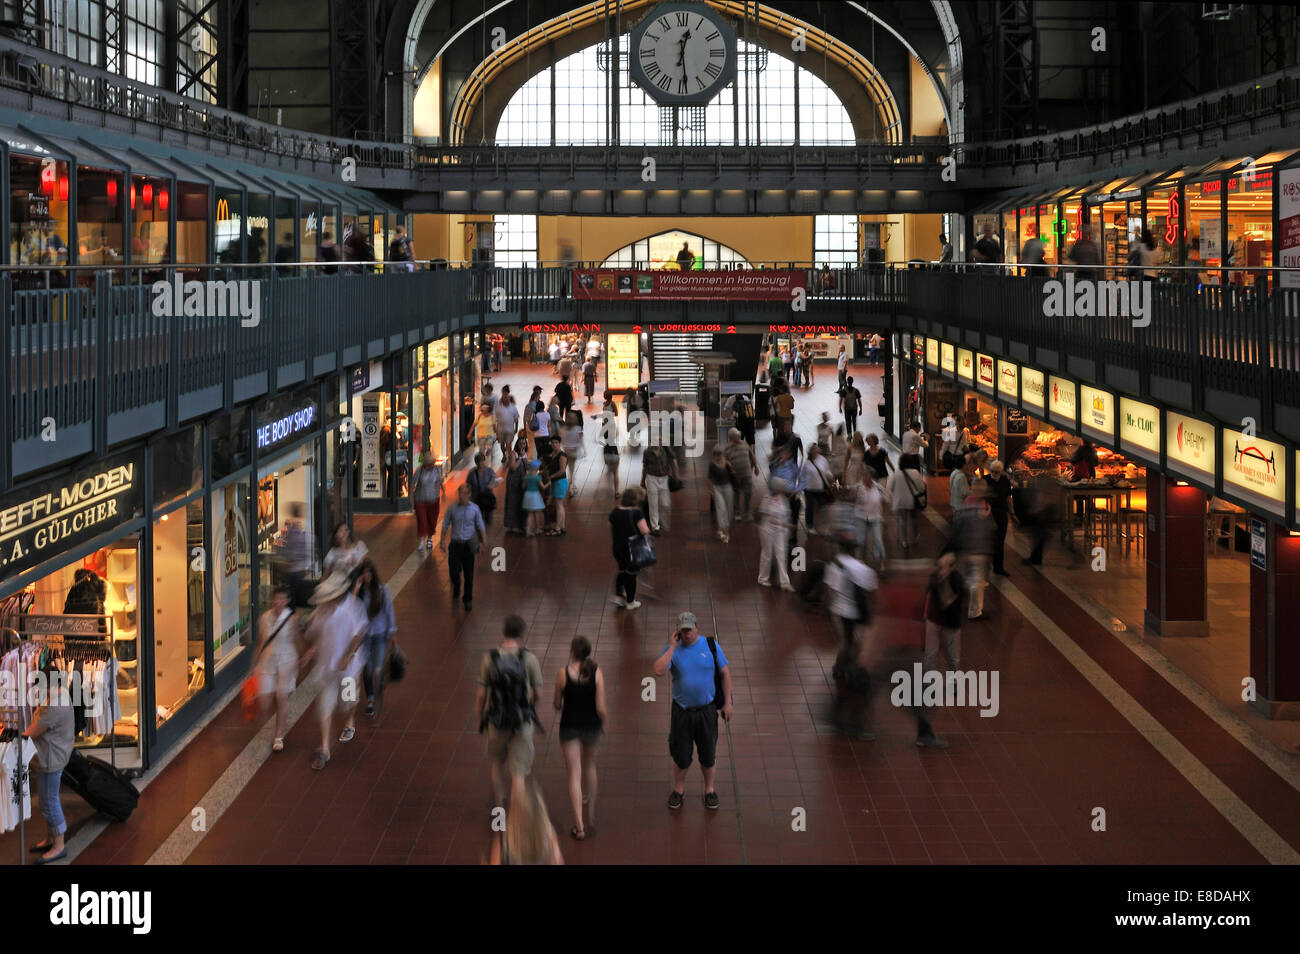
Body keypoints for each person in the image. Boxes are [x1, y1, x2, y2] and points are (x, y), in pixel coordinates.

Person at [651, 611, 733, 811]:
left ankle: (709, 790)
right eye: (683, 630)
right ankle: (678, 790)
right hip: (682, 713)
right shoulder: (674, 649)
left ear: (697, 627)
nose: (687, 634)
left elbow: (725, 674)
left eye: (690, 629)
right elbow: (658, 670)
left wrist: (728, 702)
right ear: (678, 632)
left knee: (708, 753)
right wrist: (671, 646)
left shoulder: (711, 646)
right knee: (681, 754)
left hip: (706, 712)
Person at [300, 571, 369, 771]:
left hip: (349, 669)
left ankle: (349, 718)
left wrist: (348, 655)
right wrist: (311, 651)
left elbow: (359, 633)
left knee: (348, 703)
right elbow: (319, 634)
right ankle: (324, 748)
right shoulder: (322, 612)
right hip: (328, 668)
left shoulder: (352, 608)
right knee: (325, 706)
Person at [477, 614, 544, 807]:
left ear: (503, 631)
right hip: (521, 721)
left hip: (496, 719)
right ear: (522, 633)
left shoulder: (489, 658)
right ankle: (517, 816)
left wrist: (480, 715)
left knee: (497, 764)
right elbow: (538, 693)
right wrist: (530, 709)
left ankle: (499, 810)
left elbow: (481, 694)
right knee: (519, 773)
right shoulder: (529, 659)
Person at [824, 538, 878, 739]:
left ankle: (842, 671)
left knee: (846, 647)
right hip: (855, 617)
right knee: (854, 653)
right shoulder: (863, 569)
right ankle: (853, 719)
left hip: (838, 613)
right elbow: (871, 596)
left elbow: (830, 591)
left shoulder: (834, 563)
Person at [22, 660, 75, 863]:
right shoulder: (61, 694)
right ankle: (51, 838)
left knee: (49, 802)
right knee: (47, 800)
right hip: (56, 755)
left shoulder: (53, 706)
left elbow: (31, 732)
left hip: (51, 759)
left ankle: (59, 845)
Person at [554, 636, 606, 841]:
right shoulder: (597, 672)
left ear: (571, 652)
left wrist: (560, 701)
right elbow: (601, 707)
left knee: (574, 775)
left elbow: (557, 703)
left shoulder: (563, 674)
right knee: (590, 765)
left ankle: (579, 826)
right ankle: (590, 809)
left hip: (569, 728)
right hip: (592, 726)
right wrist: (604, 724)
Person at [919, 552, 964, 749]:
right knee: (930, 655)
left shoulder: (957, 581)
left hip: (951, 624)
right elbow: (928, 596)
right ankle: (930, 684)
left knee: (953, 657)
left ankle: (953, 683)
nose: (940, 568)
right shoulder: (935, 577)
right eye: (940, 564)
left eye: (944, 565)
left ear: (952, 567)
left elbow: (947, 601)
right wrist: (925, 614)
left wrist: (943, 581)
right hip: (934, 621)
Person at [256, 585, 303, 752]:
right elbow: (262, 641)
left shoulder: (291, 619)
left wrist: (301, 657)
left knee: (281, 696)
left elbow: (297, 639)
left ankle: (278, 736)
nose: (278, 602)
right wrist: (255, 662)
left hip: (287, 660)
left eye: (282, 598)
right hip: (268, 661)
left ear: (287, 600)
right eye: (276, 598)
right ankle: (272, 728)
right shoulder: (264, 618)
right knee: (265, 700)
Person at [354, 559, 397, 718]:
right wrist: (356, 588)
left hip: (379, 635)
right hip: (364, 637)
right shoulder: (359, 593)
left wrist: (392, 632)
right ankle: (370, 700)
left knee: (377, 669)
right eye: (363, 573)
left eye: (369, 572)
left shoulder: (382, 590)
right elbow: (350, 611)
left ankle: (378, 692)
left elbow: (389, 611)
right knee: (367, 669)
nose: (366, 576)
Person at [950, 485, 994, 620]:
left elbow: (957, 527)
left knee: (966, 578)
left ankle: (956, 601)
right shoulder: (984, 509)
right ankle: (975, 612)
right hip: (978, 550)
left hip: (965, 549)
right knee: (977, 582)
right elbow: (989, 530)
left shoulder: (965, 506)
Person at [440, 482, 486, 611]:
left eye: (465, 493)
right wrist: (442, 540)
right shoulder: (452, 508)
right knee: (454, 572)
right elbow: (445, 524)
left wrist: (483, 541)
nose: (462, 496)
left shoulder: (475, 509)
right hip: (455, 544)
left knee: (469, 574)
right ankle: (456, 585)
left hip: (468, 545)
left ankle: (468, 599)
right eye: (460, 493)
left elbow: (480, 525)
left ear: (469, 494)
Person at [609, 488, 651, 610]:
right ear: (635, 500)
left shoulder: (614, 512)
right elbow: (644, 531)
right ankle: (630, 602)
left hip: (617, 547)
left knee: (622, 570)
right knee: (631, 575)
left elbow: (611, 528)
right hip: (633, 549)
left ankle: (618, 595)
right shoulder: (636, 513)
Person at [757, 479, 795, 591]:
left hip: (780, 531)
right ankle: (763, 578)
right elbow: (769, 518)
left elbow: (787, 514)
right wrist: (786, 525)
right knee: (767, 554)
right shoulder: (767, 498)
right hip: (767, 530)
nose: (782, 490)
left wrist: (786, 528)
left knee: (781, 554)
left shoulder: (784, 500)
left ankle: (785, 583)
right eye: (780, 488)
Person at [277, 503, 316, 607]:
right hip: (298, 568)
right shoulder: (300, 528)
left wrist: (286, 563)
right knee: (293, 594)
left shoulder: (293, 530)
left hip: (294, 569)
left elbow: (293, 551)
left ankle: (292, 613)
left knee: (292, 596)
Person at [887, 456, 926, 553]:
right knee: (913, 519)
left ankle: (904, 541)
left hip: (900, 501)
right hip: (912, 500)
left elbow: (889, 487)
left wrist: (894, 495)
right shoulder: (915, 473)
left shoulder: (896, 473)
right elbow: (921, 488)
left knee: (902, 520)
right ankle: (915, 537)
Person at [984, 460, 1015, 577]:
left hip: (1001, 514)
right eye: (992, 471)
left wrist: (1012, 513)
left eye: (996, 472)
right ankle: (987, 566)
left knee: (1000, 541)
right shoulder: (985, 480)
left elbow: (1008, 498)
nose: (994, 474)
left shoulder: (1005, 481)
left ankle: (998, 567)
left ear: (1001, 472)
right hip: (988, 514)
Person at [641, 441, 677, 536]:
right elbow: (645, 467)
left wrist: (675, 475)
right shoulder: (647, 452)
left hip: (664, 478)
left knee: (665, 503)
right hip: (651, 478)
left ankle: (659, 518)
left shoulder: (665, 450)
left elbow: (673, 459)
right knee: (653, 503)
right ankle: (655, 527)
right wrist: (643, 480)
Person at [410, 452, 444, 552]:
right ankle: (421, 541)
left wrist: (444, 492)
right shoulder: (419, 471)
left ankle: (429, 538)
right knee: (422, 521)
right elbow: (412, 485)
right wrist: (411, 500)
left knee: (432, 521)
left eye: (431, 463)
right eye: (428, 464)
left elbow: (439, 482)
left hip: (433, 500)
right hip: (420, 500)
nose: (430, 465)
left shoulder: (437, 470)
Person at [855, 468, 889, 569]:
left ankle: (882, 563)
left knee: (878, 540)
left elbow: (886, 500)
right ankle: (862, 560)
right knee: (861, 540)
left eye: (866, 476)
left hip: (876, 517)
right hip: (861, 516)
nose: (864, 478)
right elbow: (851, 498)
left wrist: (885, 516)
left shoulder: (879, 488)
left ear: (871, 477)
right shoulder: (858, 487)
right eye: (863, 476)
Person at [724, 427, 759, 522]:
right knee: (736, 494)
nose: (738, 437)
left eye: (738, 435)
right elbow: (723, 460)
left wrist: (756, 466)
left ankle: (747, 512)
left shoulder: (744, 444)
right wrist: (728, 465)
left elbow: (752, 455)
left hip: (747, 473)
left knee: (748, 493)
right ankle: (737, 513)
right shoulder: (727, 448)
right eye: (736, 435)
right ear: (731, 437)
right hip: (735, 476)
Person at [801, 442, 836, 535]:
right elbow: (802, 475)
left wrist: (831, 478)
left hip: (820, 488)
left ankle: (825, 527)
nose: (817, 450)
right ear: (811, 451)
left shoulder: (822, 459)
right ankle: (809, 526)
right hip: (809, 489)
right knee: (809, 508)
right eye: (814, 449)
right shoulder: (807, 463)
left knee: (824, 507)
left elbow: (827, 471)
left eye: (817, 449)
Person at [708, 446, 736, 543]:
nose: (719, 456)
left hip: (728, 487)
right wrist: (711, 491)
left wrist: (731, 467)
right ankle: (725, 532)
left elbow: (733, 474)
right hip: (717, 488)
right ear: (714, 454)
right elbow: (710, 478)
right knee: (721, 509)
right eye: (717, 454)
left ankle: (722, 528)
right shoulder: (712, 465)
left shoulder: (726, 463)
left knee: (729, 509)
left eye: (720, 454)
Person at [503, 436, 529, 534]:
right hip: (513, 481)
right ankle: (512, 525)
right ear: (517, 444)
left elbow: (526, 466)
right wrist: (521, 458)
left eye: (524, 443)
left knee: (520, 502)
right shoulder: (513, 454)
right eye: (521, 443)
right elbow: (513, 467)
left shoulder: (524, 454)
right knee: (512, 502)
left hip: (521, 480)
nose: (522, 445)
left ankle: (520, 524)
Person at [467, 452, 499, 528]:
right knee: (478, 519)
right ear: (476, 462)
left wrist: (492, 485)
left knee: (488, 520)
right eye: (478, 461)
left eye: (482, 461)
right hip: (476, 499)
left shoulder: (489, 471)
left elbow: (495, 481)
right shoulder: (472, 473)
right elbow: (468, 485)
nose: (480, 463)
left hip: (487, 498)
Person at [599, 392, 621, 500]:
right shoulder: (604, 404)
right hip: (606, 424)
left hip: (610, 424)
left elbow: (616, 413)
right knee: (608, 440)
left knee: (610, 440)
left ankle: (610, 452)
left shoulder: (612, 404)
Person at [545, 442, 570, 535]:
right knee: (560, 505)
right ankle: (562, 526)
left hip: (560, 481)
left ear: (559, 444)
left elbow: (562, 470)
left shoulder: (562, 455)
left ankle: (557, 528)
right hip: (557, 482)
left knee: (559, 505)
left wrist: (551, 476)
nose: (554, 445)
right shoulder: (553, 455)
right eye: (553, 443)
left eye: (556, 443)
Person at [520, 459, 548, 537]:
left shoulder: (527, 477)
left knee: (530, 513)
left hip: (527, 495)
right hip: (535, 496)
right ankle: (536, 529)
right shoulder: (537, 477)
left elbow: (523, 487)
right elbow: (543, 487)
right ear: (537, 468)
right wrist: (549, 483)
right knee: (536, 513)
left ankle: (529, 530)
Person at [495, 389, 520, 469]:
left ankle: (510, 458)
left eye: (507, 397)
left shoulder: (513, 408)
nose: (506, 399)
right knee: (502, 445)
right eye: (504, 397)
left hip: (510, 430)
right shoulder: (498, 408)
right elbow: (495, 420)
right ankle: (504, 455)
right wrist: (496, 431)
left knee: (509, 445)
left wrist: (516, 428)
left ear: (509, 398)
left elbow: (516, 418)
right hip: (501, 430)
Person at [559, 412, 583, 497]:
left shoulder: (562, 429)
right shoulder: (578, 428)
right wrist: (583, 450)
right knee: (572, 471)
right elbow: (581, 441)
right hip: (574, 451)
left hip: (565, 451)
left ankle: (567, 485)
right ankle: (571, 488)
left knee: (564, 469)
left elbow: (560, 441)